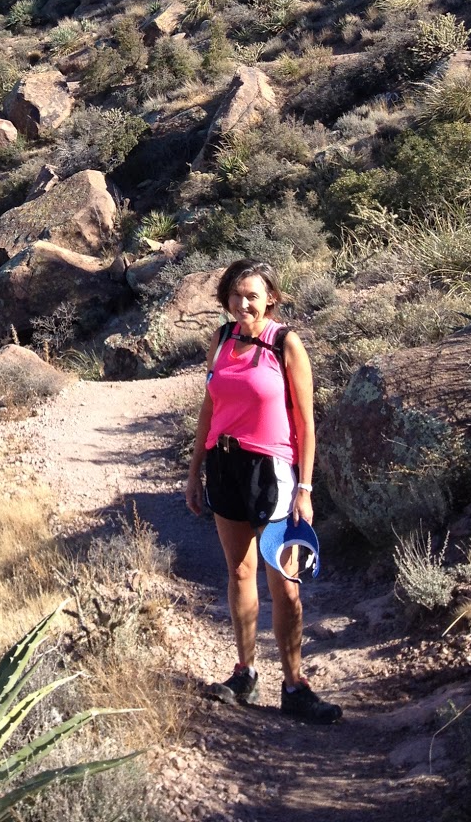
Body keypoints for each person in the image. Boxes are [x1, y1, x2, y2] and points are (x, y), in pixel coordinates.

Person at [185, 258, 341, 724]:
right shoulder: (222, 339)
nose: (243, 303)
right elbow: (209, 411)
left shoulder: (285, 344)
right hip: (225, 463)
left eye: (252, 295)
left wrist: (306, 488)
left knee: (284, 585)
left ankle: (295, 686)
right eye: (235, 295)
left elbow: (307, 424)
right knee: (238, 575)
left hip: (272, 470)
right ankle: (245, 672)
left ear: (270, 297)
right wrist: (195, 470)